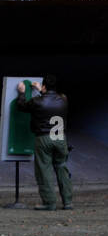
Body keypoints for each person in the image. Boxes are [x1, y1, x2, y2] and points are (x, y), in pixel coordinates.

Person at [16, 77, 72, 210]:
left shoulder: (37, 101)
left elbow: (22, 106)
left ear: (44, 86)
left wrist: (22, 93)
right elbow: (51, 100)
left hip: (44, 138)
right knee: (62, 168)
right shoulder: (64, 99)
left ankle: (49, 203)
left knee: (44, 170)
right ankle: (68, 201)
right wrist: (42, 91)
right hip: (60, 137)